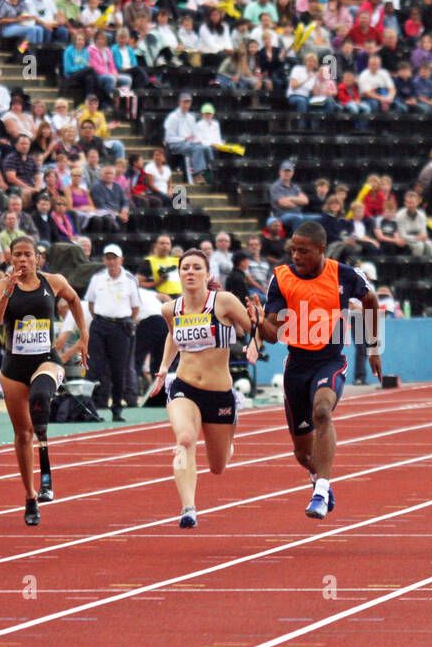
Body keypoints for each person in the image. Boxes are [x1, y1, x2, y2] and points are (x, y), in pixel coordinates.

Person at [253, 221, 382, 518]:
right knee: (302, 453)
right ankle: (318, 478)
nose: (295, 256)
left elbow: (371, 301)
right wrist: (260, 321)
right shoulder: (281, 278)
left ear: (321, 250)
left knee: (322, 412)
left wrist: (373, 347)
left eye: (303, 251)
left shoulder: (345, 275)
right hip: (296, 365)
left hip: (330, 360)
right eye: (292, 250)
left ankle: (321, 491)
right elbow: (273, 335)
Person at [148, 248, 259, 527]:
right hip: (184, 387)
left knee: (218, 466)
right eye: (185, 268)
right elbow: (173, 337)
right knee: (185, 439)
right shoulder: (170, 309)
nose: (190, 272)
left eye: (197, 268)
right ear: (179, 273)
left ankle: (227, 444)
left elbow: (251, 328)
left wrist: (253, 344)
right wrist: (163, 368)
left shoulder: (223, 302)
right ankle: (188, 508)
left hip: (219, 393)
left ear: (207, 274)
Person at [0, 237, 88, 525]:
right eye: (17, 255)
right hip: (14, 366)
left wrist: (83, 336)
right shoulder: (0, 286)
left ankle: (46, 475)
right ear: (9, 257)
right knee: (22, 434)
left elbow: (75, 301)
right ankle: (31, 497)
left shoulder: (52, 281)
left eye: (27, 255)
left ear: (36, 258)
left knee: (41, 397)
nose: (22, 260)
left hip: (46, 359)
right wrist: (6, 293)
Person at [83, 242, 140, 421]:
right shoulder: (97, 278)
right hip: (100, 324)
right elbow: (91, 303)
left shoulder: (129, 280)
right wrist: (102, 319)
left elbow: (135, 307)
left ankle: (117, 409)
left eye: (114, 258)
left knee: (118, 369)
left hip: (120, 327)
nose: (111, 261)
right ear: (104, 260)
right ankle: (89, 408)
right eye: (108, 258)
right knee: (94, 368)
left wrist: (124, 320)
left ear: (121, 260)